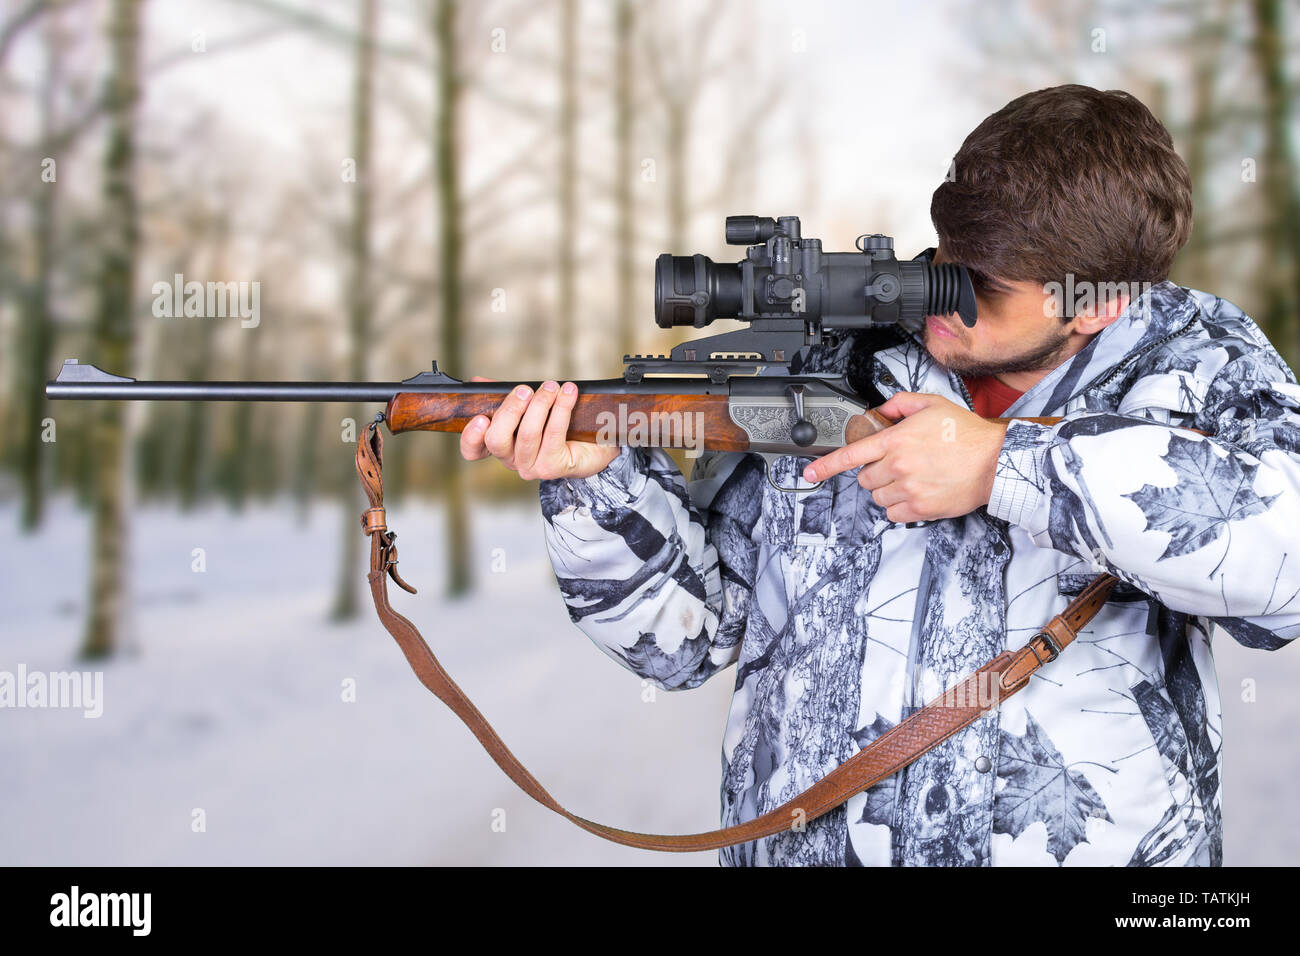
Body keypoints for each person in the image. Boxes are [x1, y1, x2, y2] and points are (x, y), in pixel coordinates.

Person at [458, 85, 1300, 866]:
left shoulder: (1197, 368)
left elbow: (1285, 570)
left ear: (1096, 303)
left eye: (985, 288)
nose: (940, 294)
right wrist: (597, 488)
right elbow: (689, 643)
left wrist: (1003, 467)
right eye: (945, 255)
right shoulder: (837, 360)